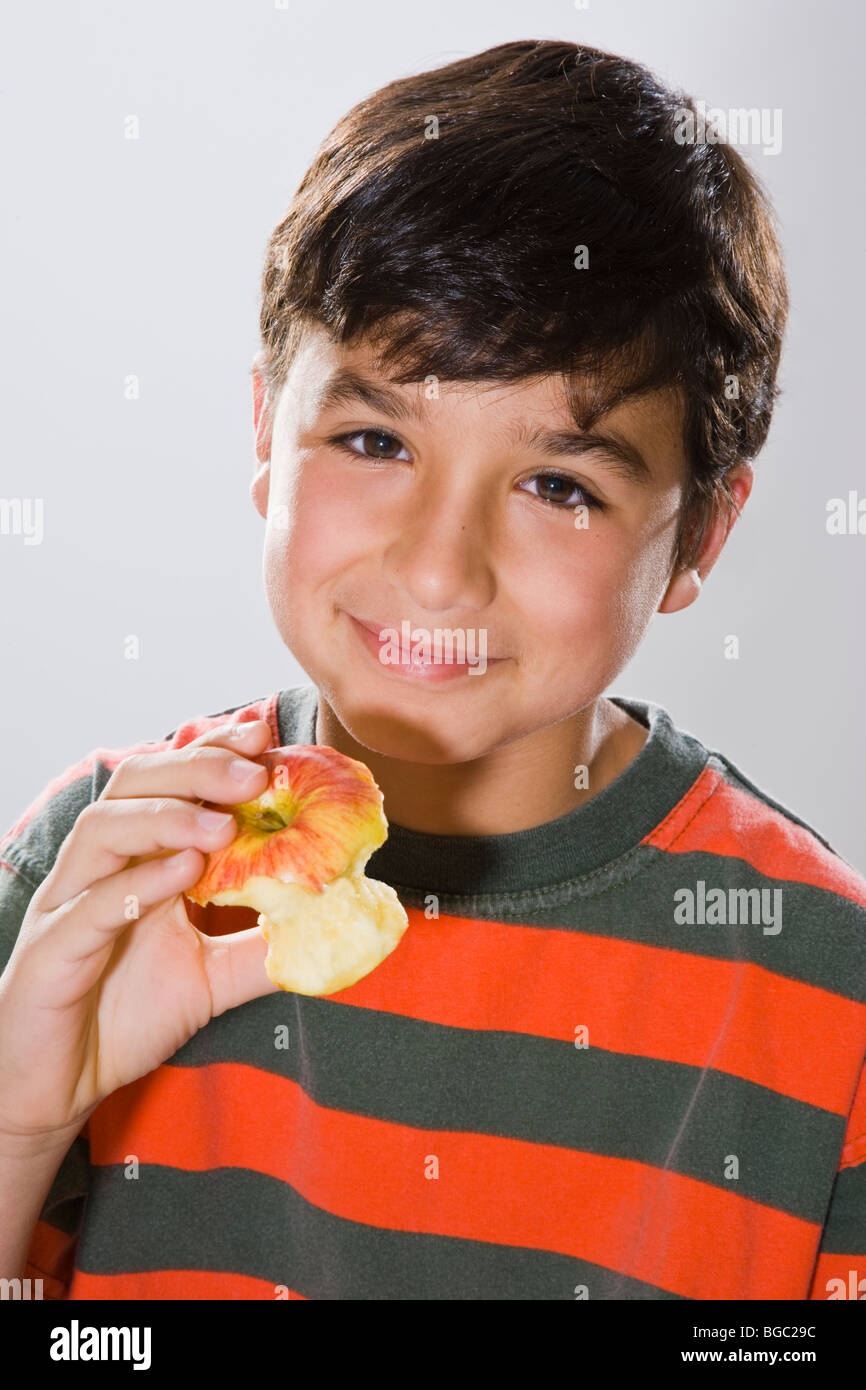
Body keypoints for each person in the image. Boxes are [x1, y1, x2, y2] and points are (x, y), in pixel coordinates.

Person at [1, 38, 863, 1302]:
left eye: (556, 484)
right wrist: (18, 1125)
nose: (441, 569)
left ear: (698, 537)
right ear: (264, 436)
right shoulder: (106, 868)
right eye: (372, 438)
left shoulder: (820, 981)